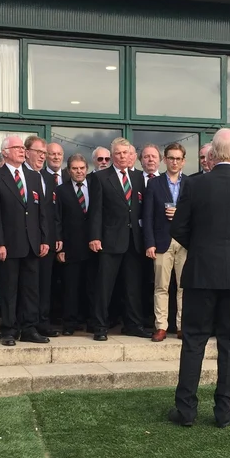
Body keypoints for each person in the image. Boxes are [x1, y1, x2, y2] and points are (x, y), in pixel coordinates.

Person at [168, 128, 230, 428]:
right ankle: (224, 411)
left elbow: (177, 228)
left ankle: (185, 410)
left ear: (212, 154)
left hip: (201, 273)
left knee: (193, 342)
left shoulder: (195, 185)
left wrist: (200, 248)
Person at [0, 135, 50, 347]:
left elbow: (40, 211)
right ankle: (9, 330)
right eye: (17, 148)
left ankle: (29, 328)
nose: (22, 151)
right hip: (9, 244)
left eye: (23, 148)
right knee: (9, 289)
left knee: (31, 289)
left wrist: (44, 238)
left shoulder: (33, 177)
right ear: (5, 152)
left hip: (32, 243)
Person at [89, 137, 150, 341]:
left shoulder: (139, 177)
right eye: (118, 153)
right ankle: (100, 326)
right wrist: (95, 236)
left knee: (133, 286)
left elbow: (141, 210)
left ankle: (133, 324)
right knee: (104, 286)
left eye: (126, 153)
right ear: (112, 155)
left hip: (134, 240)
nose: (122, 156)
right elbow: (95, 211)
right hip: (110, 239)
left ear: (131, 155)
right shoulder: (100, 177)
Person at [143, 142, 188, 342]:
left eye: (178, 158)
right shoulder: (154, 183)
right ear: (165, 159)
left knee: (184, 287)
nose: (174, 162)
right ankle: (161, 326)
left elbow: (195, 213)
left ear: (183, 161)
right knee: (161, 286)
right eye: (171, 158)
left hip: (185, 242)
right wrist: (149, 243)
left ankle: (182, 326)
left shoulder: (191, 183)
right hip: (161, 241)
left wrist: (180, 214)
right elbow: (147, 216)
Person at [24, 135, 61, 337]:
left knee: (45, 283)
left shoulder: (48, 178)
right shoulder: (21, 176)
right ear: (27, 152)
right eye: (38, 152)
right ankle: (28, 323)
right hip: (28, 240)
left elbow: (51, 211)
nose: (42, 156)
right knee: (30, 285)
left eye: (44, 153)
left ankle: (43, 322)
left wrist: (53, 237)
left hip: (47, 240)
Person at [55, 154, 95, 335]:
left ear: (86, 169)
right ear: (68, 170)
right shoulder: (61, 190)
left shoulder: (95, 187)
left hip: (93, 246)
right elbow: (57, 219)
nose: (79, 172)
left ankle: (90, 321)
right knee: (70, 287)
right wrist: (60, 247)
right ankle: (69, 324)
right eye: (74, 168)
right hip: (70, 247)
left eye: (81, 168)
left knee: (91, 287)